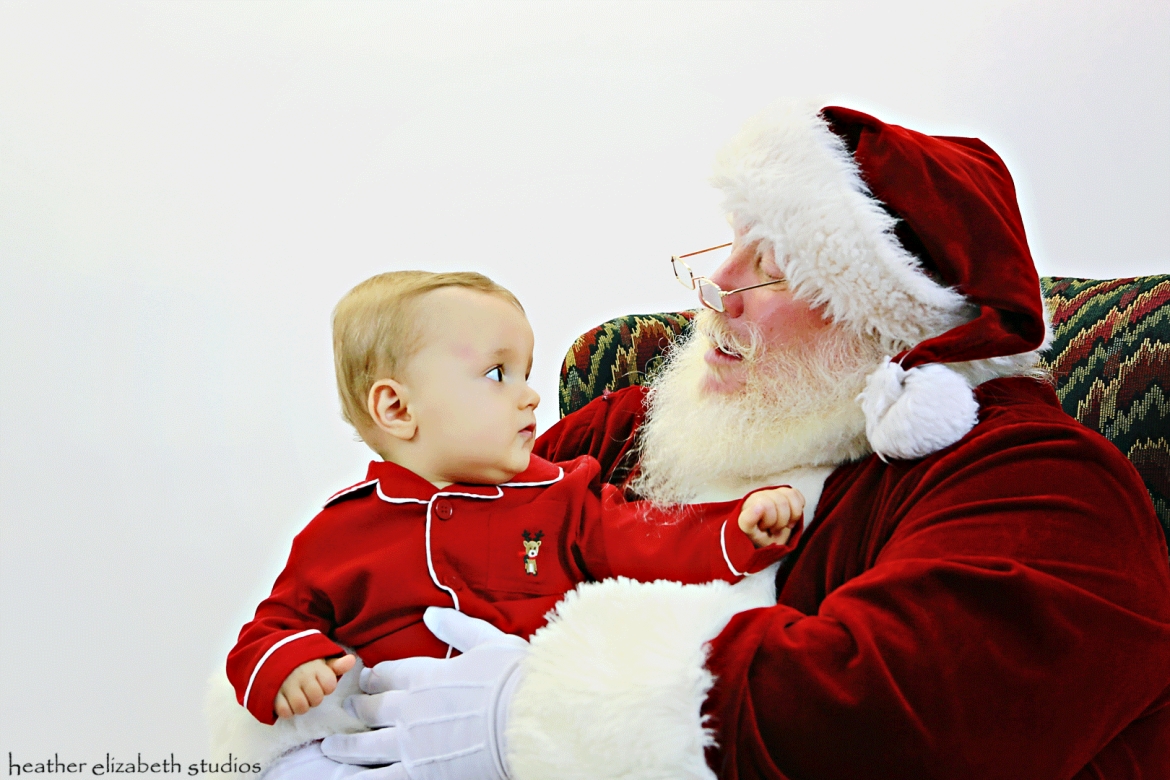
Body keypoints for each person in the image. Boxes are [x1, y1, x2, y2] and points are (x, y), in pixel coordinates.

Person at [266, 103, 1170, 779]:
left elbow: (908, 719)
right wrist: (313, 700)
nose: (714, 290)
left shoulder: (1044, 486)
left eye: (770, 269)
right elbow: (396, 549)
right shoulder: (626, 428)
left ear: (890, 326)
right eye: (729, 247)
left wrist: (528, 716)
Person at [223, 270, 803, 727]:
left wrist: (737, 528)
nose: (530, 397)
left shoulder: (559, 496)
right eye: (498, 375)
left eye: (525, 373)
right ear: (396, 409)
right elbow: (270, 629)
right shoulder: (338, 533)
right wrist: (290, 665)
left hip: (526, 740)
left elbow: (647, 537)